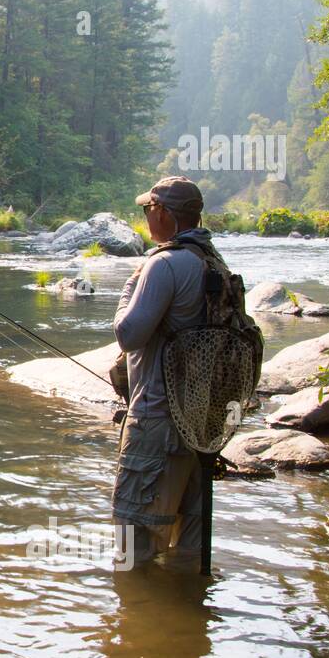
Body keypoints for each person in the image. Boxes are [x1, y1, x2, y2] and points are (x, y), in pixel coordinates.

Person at [112, 176, 224, 567]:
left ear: (162, 213)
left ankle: (136, 619)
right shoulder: (213, 261)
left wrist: (128, 289)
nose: (145, 216)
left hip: (157, 422)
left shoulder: (164, 264)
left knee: (133, 548)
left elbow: (128, 334)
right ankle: (186, 619)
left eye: (147, 209)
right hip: (201, 426)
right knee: (188, 555)